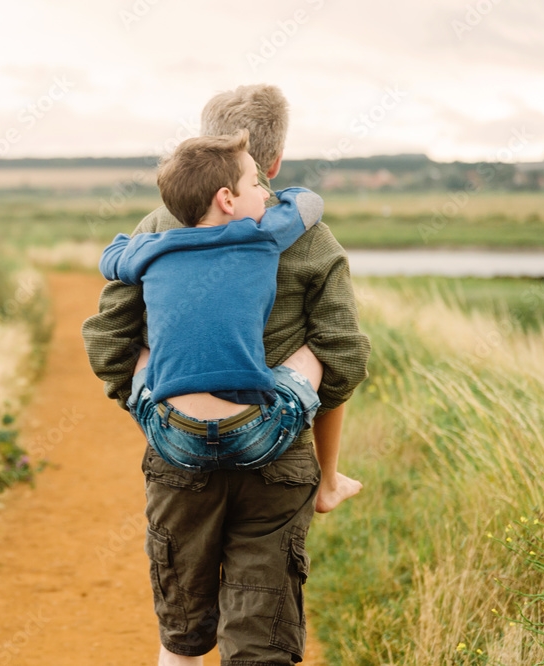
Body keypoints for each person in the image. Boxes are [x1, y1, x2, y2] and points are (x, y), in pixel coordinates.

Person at [81, 84, 371, 665]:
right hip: (277, 454)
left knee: (182, 636)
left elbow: (109, 341)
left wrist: (154, 409)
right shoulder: (305, 233)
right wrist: (318, 448)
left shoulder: (155, 230)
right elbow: (343, 356)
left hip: (179, 451)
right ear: (276, 161)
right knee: (261, 642)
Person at [99, 130, 361, 512]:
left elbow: (110, 260)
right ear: (226, 199)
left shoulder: (151, 248)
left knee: (145, 353)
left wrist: (133, 245)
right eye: (256, 184)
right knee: (319, 348)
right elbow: (307, 205)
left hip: (173, 440)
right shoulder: (260, 236)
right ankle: (331, 484)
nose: (266, 194)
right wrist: (287, 194)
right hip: (256, 435)